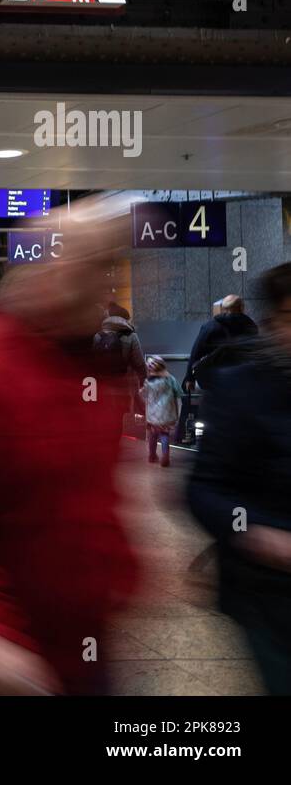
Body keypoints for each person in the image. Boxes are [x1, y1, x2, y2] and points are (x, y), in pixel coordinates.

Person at [0, 208, 139, 695]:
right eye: (90, 266)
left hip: (80, 644)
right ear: (48, 267)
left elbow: (98, 493)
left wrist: (121, 570)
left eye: (110, 268)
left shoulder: (95, 368)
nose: (104, 286)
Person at [188, 263, 291, 695]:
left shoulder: (214, 336)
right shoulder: (241, 388)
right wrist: (255, 533)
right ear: (273, 323)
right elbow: (205, 489)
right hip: (270, 590)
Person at [184, 294, 260, 392]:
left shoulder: (210, 326)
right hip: (241, 378)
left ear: (223, 308)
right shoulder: (251, 327)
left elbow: (196, 351)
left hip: (214, 378)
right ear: (242, 308)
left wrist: (190, 378)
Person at [139, 355, 183, 468]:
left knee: (152, 436)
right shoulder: (170, 379)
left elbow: (143, 395)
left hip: (153, 415)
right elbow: (179, 392)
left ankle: (152, 455)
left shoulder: (148, 381)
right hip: (167, 414)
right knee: (164, 435)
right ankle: (165, 456)